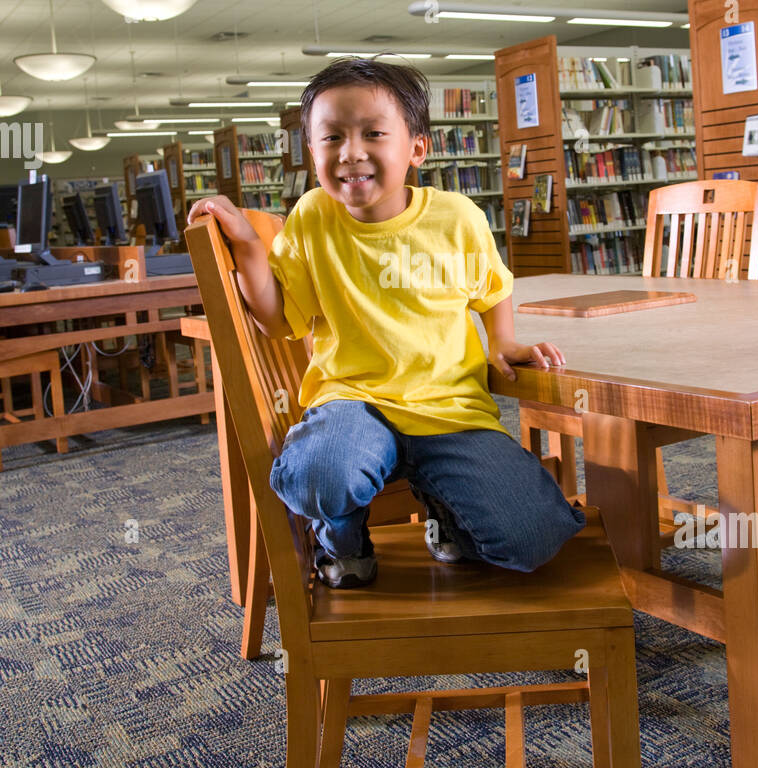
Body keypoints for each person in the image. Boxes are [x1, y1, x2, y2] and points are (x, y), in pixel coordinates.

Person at [188, 57, 585, 588]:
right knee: (318, 476)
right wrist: (249, 249)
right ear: (312, 151)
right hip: (353, 402)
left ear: (416, 148)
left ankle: (446, 510)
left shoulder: (457, 218)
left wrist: (502, 340)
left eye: (373, 133)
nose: (351, 153)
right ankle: (343, 544)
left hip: (449, 405)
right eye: (331, 139)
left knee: (533, 537)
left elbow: (493, 288)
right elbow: (280, 319)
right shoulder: (312, 217)